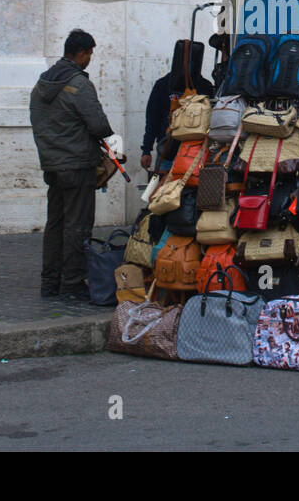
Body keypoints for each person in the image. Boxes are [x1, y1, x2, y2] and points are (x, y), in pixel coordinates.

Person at [29, 29, 122, 302]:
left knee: (55, 223)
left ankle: (50, 282)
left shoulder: (41, 83)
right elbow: (98, 124)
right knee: (77, 225)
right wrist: (114, 147)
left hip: (52, 164)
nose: (90, 59)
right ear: (81, 53)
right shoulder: (78, 84)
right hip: (78, 164)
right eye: (90, 54)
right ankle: (72, 283)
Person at [139, 39, 216, 173]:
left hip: (196, 151)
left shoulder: (205, 87)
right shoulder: (162, 85)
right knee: (163, 190)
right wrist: (146, 150)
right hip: (168, 149)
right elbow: (153, 119)